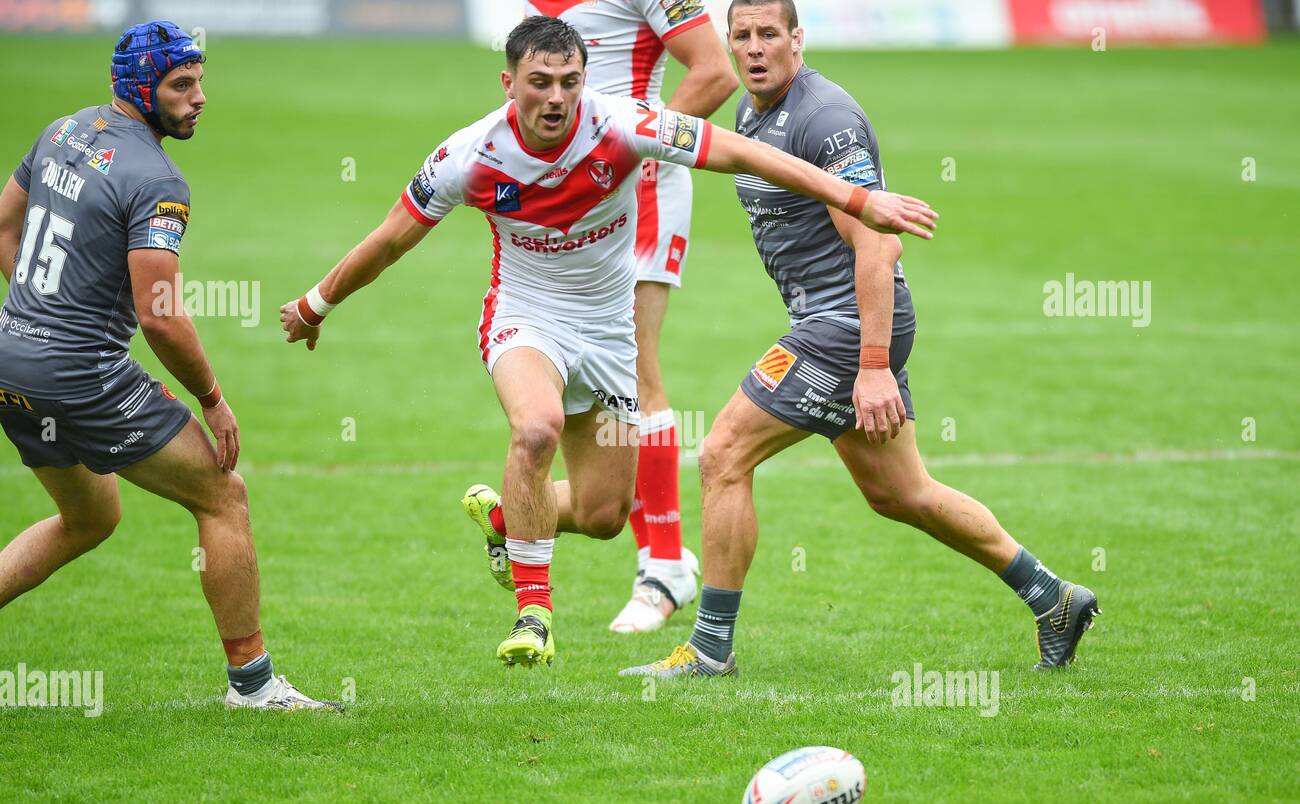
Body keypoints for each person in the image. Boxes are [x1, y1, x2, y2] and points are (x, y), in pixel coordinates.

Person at [279, 15, 936, 669]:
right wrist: (316, 303)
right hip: (525, 320)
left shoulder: (621, 124)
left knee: (602, 512)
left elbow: (737, 150)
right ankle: (535, 614)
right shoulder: (468, 156)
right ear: (509, 84)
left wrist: (856, 198)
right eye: (540, 82)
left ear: (585, 81)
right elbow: (393, 236)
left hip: (607, 335)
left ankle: (514, 520)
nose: (556, 97)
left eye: (569, 81)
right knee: (534, 431)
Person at [621, 0, 1099, 679]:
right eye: (742, 37)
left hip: (846, 327)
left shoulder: (827, 120)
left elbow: (877, 241)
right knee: (901, 493)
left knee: (723, 453)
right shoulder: (752, 112)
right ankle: (1054, 597)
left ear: (798, 39)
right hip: (839, 324)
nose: (754, 49)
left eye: (769, 35)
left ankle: (708, 651)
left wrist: (872, 365)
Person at [0, 21, 339, 711]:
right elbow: (160, 315)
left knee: (90, 520)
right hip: (78, 374)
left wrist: (40, 311)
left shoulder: (62, 131)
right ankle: (254, 685)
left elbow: (3, 229)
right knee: (223, 494)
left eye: (199, 82)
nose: (198, 97)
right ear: (140, 87)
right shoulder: (157, 179)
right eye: (181, 86)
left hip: (12, 359)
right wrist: (212, 398)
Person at [522, 0, 738, 633]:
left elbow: (714, 72)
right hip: (569, 193)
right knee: (597, 375)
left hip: (636, 188)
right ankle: (634, 546)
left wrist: (631, 155)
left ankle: (665, 563)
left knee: (638, 373)